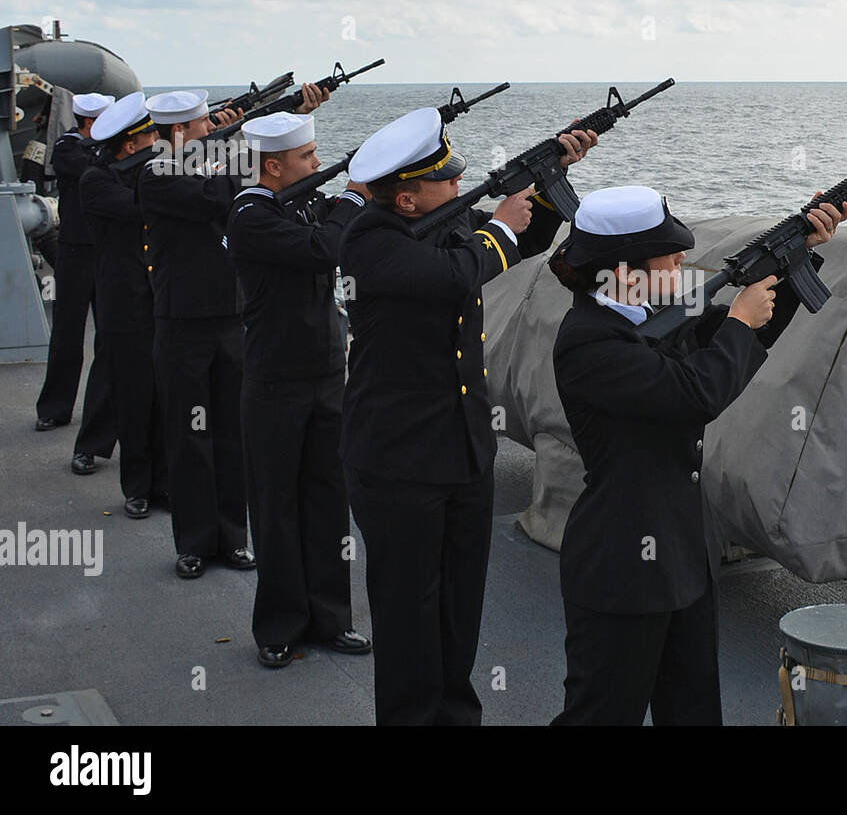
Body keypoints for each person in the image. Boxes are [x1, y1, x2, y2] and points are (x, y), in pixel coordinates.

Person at [547, 185, 847, 725]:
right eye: (668, 252)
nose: (682, 259)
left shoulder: (655, 309)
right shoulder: (588, 341)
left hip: (685, 556)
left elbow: (743, 344)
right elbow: (696, 394)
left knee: (693, 709)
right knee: (600, 714)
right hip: (622, 568)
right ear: (623, 268)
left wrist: (797, 250)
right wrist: (738, 320)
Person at [340, 108, 596, 725]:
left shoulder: (442, 222)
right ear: (405, 198)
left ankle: (455, 716)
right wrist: (501, 226)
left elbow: (527, 242)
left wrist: (547, 178)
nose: (459, 188)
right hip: (398, 462)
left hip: (462, 450)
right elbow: (455, 274)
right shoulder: (370, 240)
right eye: (445, 182)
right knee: (408, 615)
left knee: (459, 605)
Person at [226, 111, 372, 668]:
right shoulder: (249, 214)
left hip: (324, 370)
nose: (316, 164)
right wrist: (354, 199)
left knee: (327, 500)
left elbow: (333, 223)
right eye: (308, 157)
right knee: (277, 505)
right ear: (273, 165)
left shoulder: (300, 201)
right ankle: (281, 624)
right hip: (274, 379)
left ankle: (332, 617)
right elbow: (322, 249)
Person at [138, 88, 255, 577]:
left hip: (230, 316)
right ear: (179, 132)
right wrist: (246, 145)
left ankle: (232, 537)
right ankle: (193, 541)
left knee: (231, 432)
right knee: (189, 434)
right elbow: (218, 193)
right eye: (206, 124)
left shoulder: (213, 158)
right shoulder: (155, 175)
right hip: (183, 321)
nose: (213, 129)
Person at [79, 92, 167, 518]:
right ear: (130, 146)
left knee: (165, 397)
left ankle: (165, 484)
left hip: (161, 298)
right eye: (151, 135)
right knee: (133, 399)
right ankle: (138, 487)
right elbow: (143, 209)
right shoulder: (96, 181)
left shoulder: (144, 170)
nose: (158, 140)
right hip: (124, 305)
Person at [35, 92, 118, 477]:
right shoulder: (69, 146)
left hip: (106, 251)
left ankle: (102, 411)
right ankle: (54, 409)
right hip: (74, 251)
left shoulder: (102, 148)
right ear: (90, 122)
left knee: (110, 336)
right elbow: (84, 166)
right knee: (67, 331)